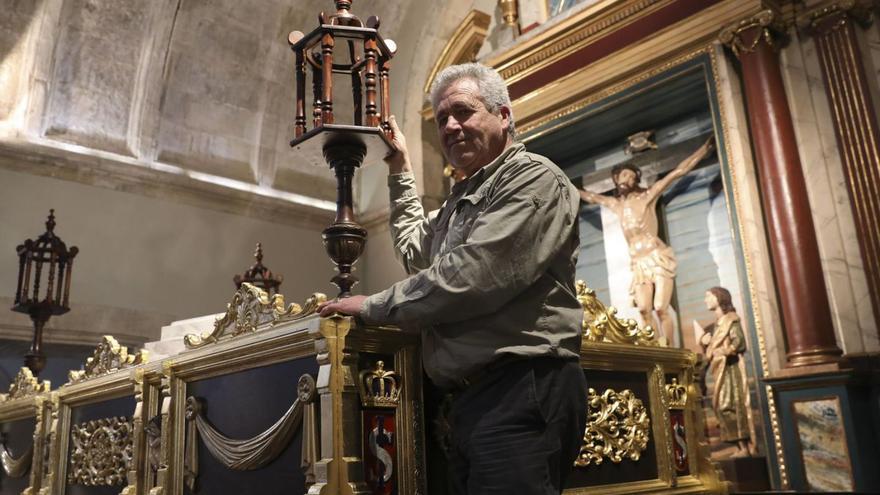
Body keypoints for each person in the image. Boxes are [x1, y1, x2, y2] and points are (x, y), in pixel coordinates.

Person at [318, 62, 587, 494]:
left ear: (504, 115)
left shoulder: (533, 179)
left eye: (463, 111)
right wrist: (399, 166)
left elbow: (472, 276)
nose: (451, 125)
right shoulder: (464, 198)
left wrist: (372, 306)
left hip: (522, 388)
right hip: (471, 400)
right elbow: (415, 252)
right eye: (442, 118)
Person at [578, 137, 714, 345]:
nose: (626, 179)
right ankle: (653, 352)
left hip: (656, 256)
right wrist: (560, 182)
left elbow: (677, 172)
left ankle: (669, 349)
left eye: (631, 176)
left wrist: (703, 150)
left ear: (636, 181)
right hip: (638, 262)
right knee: (643, 309)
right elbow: (590, 197)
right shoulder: (616, 205)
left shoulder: (648, 196)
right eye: (623, 175)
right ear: (616, 179)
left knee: (660, 307)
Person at [699, 286, 752, 458]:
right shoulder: (716, 325)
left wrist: (725, 351)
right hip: (719, 370)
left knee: (730, 405)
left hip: (731, 369)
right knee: (721, 407)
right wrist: (704, 342)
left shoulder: (731, 320)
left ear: (719, 298)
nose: (706, 300)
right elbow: (712, 349)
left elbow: (740, 342)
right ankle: (738, 447)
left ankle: (744, 447)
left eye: (708, 296)